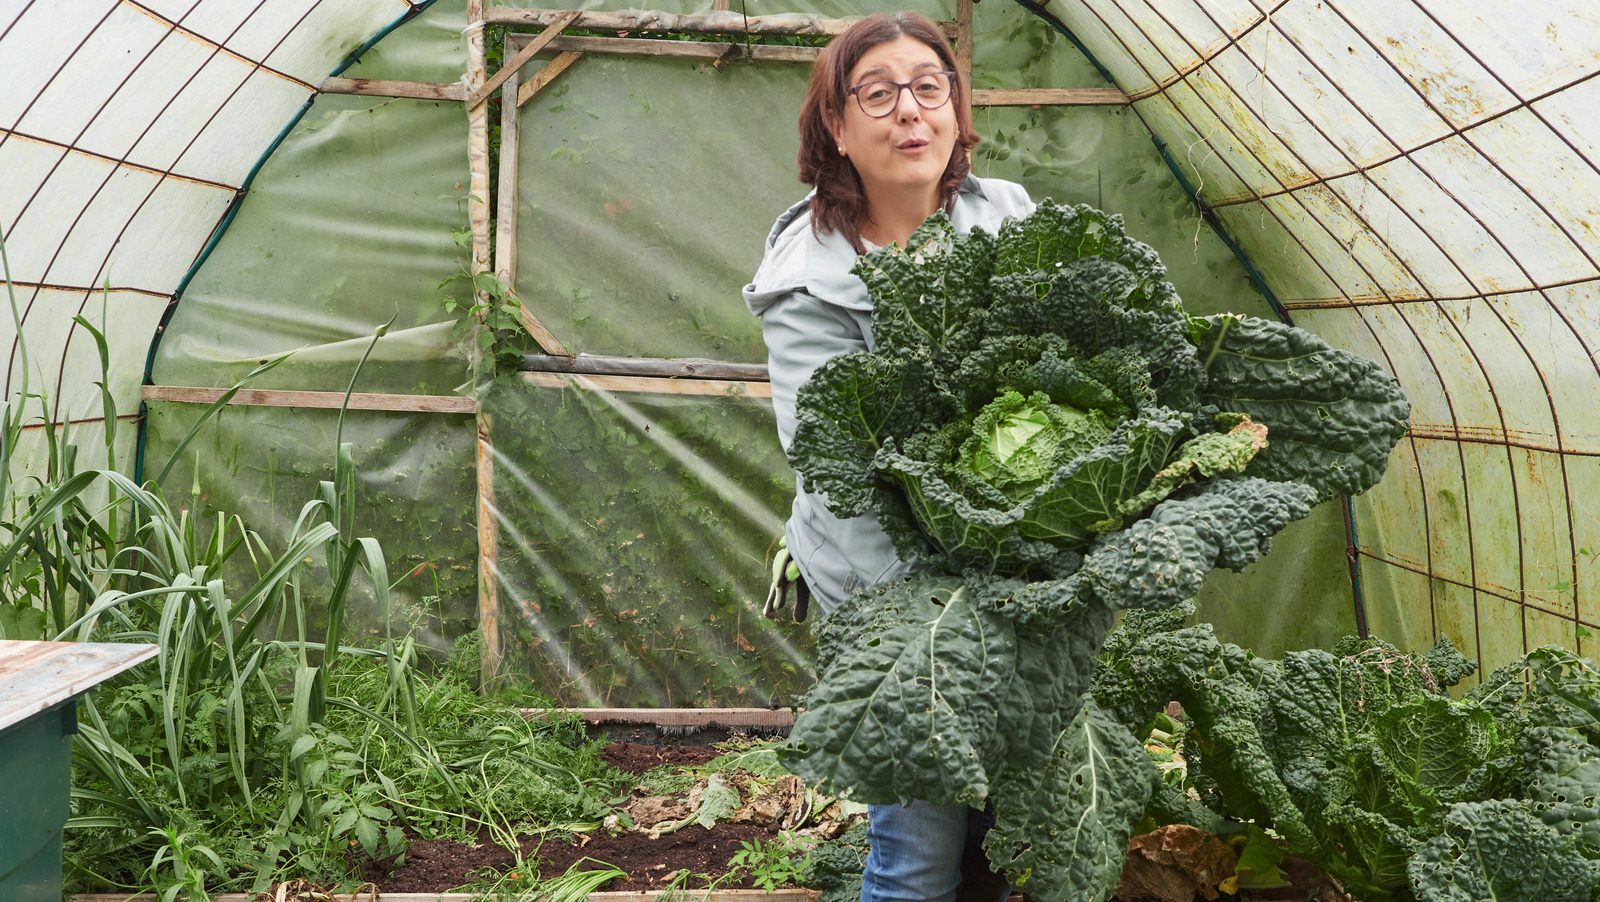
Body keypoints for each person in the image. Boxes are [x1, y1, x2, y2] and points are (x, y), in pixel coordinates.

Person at [742, 12, 1035, 902]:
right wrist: (941, 616)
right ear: (837, 125)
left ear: (955, 110)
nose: (909, 111)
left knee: (1001, 830)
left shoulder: (1009, 216)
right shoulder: (809, 279)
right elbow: (836, 466)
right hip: (888, 589)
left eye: (929, 87)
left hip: (1019, 567)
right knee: (920, 843)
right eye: (878, 93)